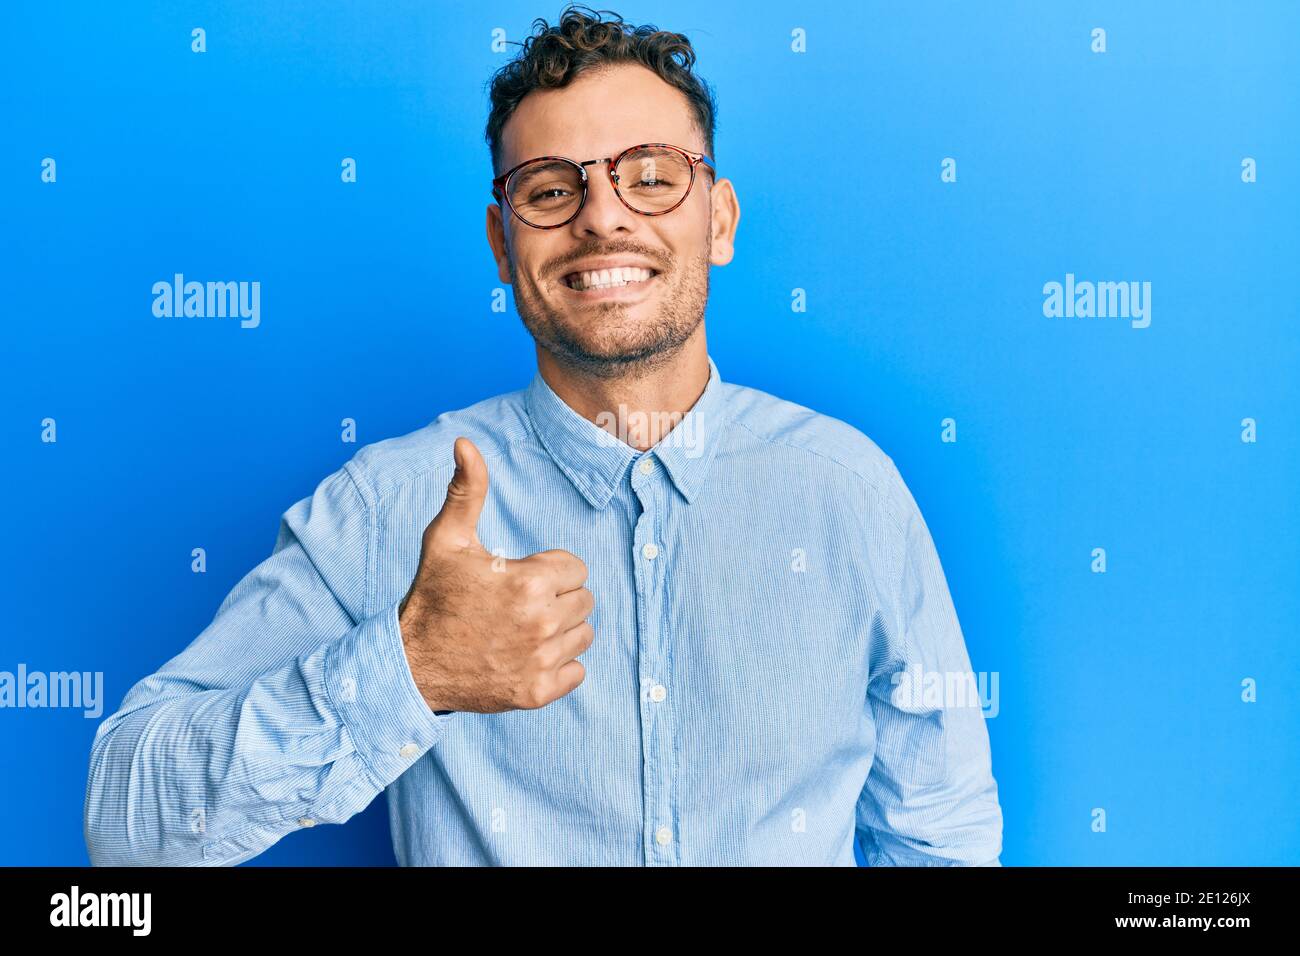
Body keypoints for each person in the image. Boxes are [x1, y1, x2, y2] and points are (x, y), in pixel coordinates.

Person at [84, 4, 1002, 866]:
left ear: (717, 220)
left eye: (649, 178)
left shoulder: (850, 491)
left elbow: (941, 834)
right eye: (552, 189)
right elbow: (125, 820)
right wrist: (410, 668)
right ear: (501, 243)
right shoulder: (391, 502)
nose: (603, 217)